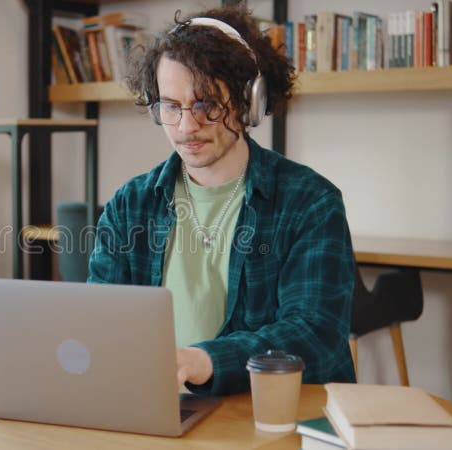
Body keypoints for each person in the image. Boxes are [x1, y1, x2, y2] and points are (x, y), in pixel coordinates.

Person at [87, 5, 356, 396]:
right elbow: (100, 320)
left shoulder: (310, 202)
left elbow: (315, 333)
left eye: (207, 105)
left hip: (268, 413)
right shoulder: (130, 205)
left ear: (250, 102)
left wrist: (204, 360)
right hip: (160, 410)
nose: (186, 127)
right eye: (171, 106)